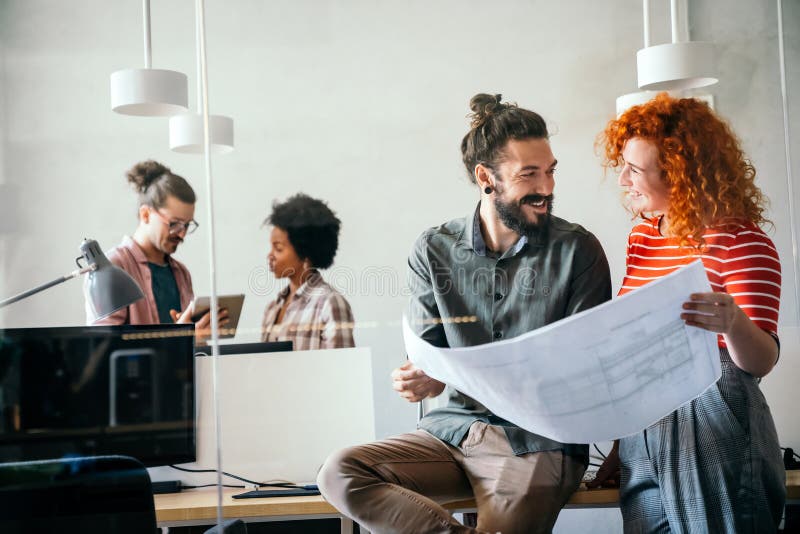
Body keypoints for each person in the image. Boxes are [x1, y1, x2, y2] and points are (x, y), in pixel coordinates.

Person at [317, 94, 611, 533]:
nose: (547, 187)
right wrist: (423, 377)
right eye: (529, 174)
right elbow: (430, 357)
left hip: (536, 441)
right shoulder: (434, 249)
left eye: (550, 171)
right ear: (486, 178)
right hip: (451, 432)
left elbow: (589, 370)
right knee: (340, 473)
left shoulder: (577, 250)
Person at [589, 93, 785, 533]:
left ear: (680, 173)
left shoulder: (742, 242)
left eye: (634, 169)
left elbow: (760, 362)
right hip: (644, 422)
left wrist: (732, 322)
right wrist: (626, 440)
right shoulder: (643, 237)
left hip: (710, 410)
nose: (622, 179)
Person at [86, 160, 225, 334]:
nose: (182, 234)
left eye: (187, 225)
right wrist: (182, 338)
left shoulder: (181, 273)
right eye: (174, 224)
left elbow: (182, 340)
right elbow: (103, 344)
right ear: (145, 214)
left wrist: (195, 335)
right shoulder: (113, 267)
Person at [260, 193, 354, 350]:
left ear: (305, 254)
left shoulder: (329, 303)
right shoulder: (272, 309)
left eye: (278, 248)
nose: (270, 256)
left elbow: (341, 364)